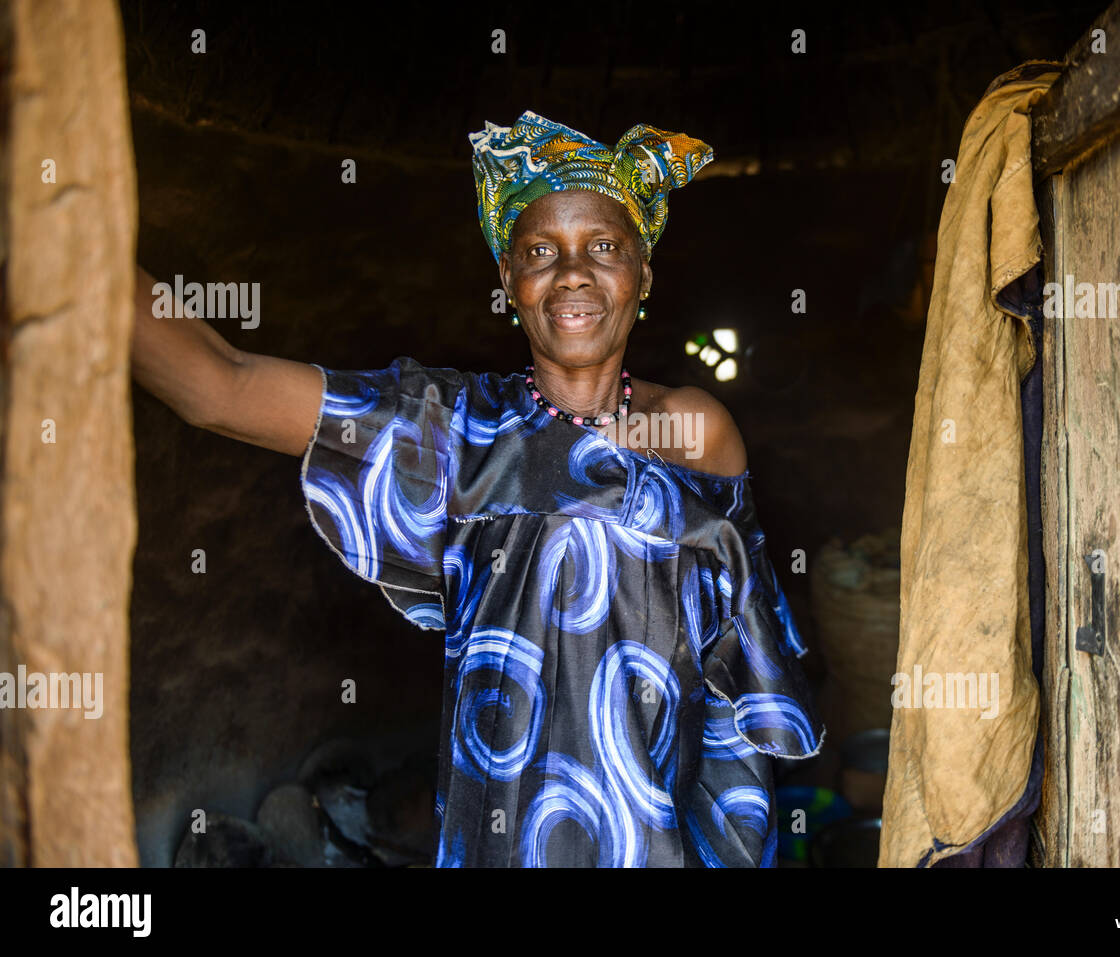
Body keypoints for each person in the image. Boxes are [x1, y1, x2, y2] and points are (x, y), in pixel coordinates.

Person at [131, 109, 823, 867]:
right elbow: (219, 384)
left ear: (643, 272)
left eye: (603, 246)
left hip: (653, 845)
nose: (573, 273)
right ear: (509, 279)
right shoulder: (455, 432)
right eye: (539, 250)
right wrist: (58, 243)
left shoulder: (696, 434)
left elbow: (737, 678)